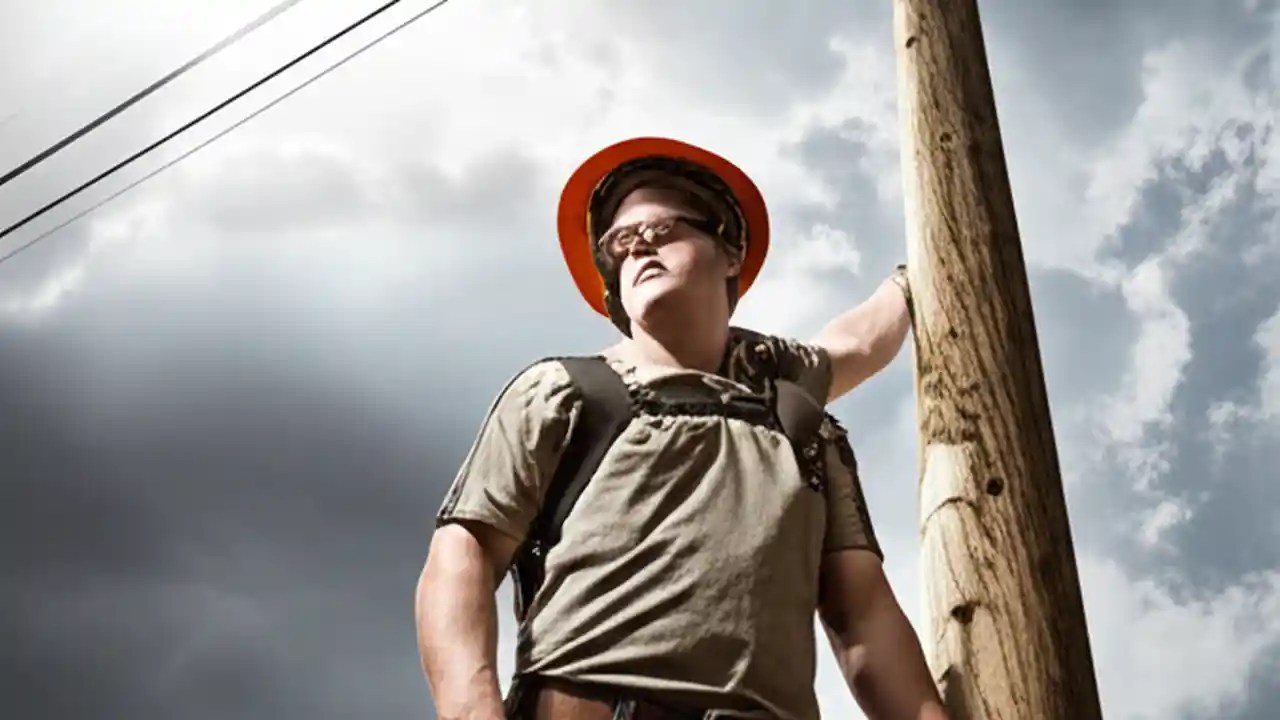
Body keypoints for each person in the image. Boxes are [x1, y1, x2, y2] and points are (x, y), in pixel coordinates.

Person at [415, 137, 946, 720]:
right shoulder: (562, 395)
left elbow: (864, 616)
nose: (639, 246)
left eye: (662, 229)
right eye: (620, 242)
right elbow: (464, 551)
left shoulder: (803, 433)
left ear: (731, 254)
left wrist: (921, 272)